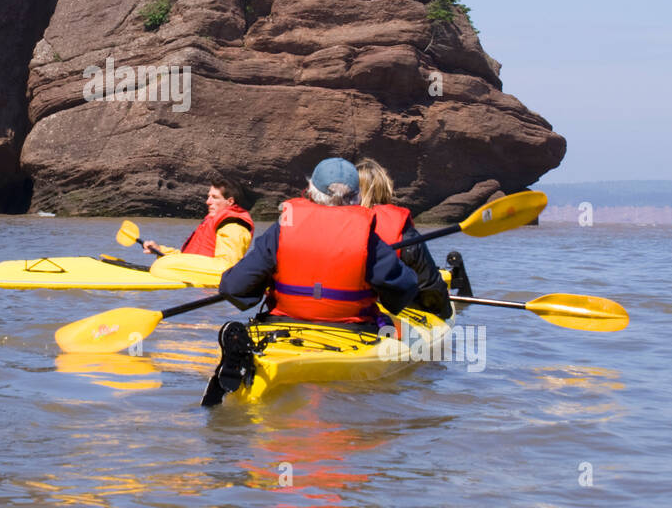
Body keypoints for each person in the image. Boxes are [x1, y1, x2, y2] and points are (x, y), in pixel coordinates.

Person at [204, 157, 420, 405]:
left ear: (310, 192)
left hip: (278, 331)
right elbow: (405, 290)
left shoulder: (284, 227)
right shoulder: (366, 236)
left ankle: (241, 361)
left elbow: (233, 287)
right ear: (356, 198)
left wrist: (265, 287)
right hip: (350, 336)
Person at [356, 158, 452, 319]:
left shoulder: (337, 227)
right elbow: (430, 287)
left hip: (340, 313)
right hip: (392, 315)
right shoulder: (405, 233)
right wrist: (445, 313)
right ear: (386, 187)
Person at [141, 177, 254, 270]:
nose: (208, 202)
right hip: (197, 284)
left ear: (230, 201)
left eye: (214, 197)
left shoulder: (233, 226)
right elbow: (190, 257)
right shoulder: (213, 221)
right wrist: (160, 250)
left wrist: (173, 263)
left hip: (210, 290)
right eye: (208, 196)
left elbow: (226, 267)